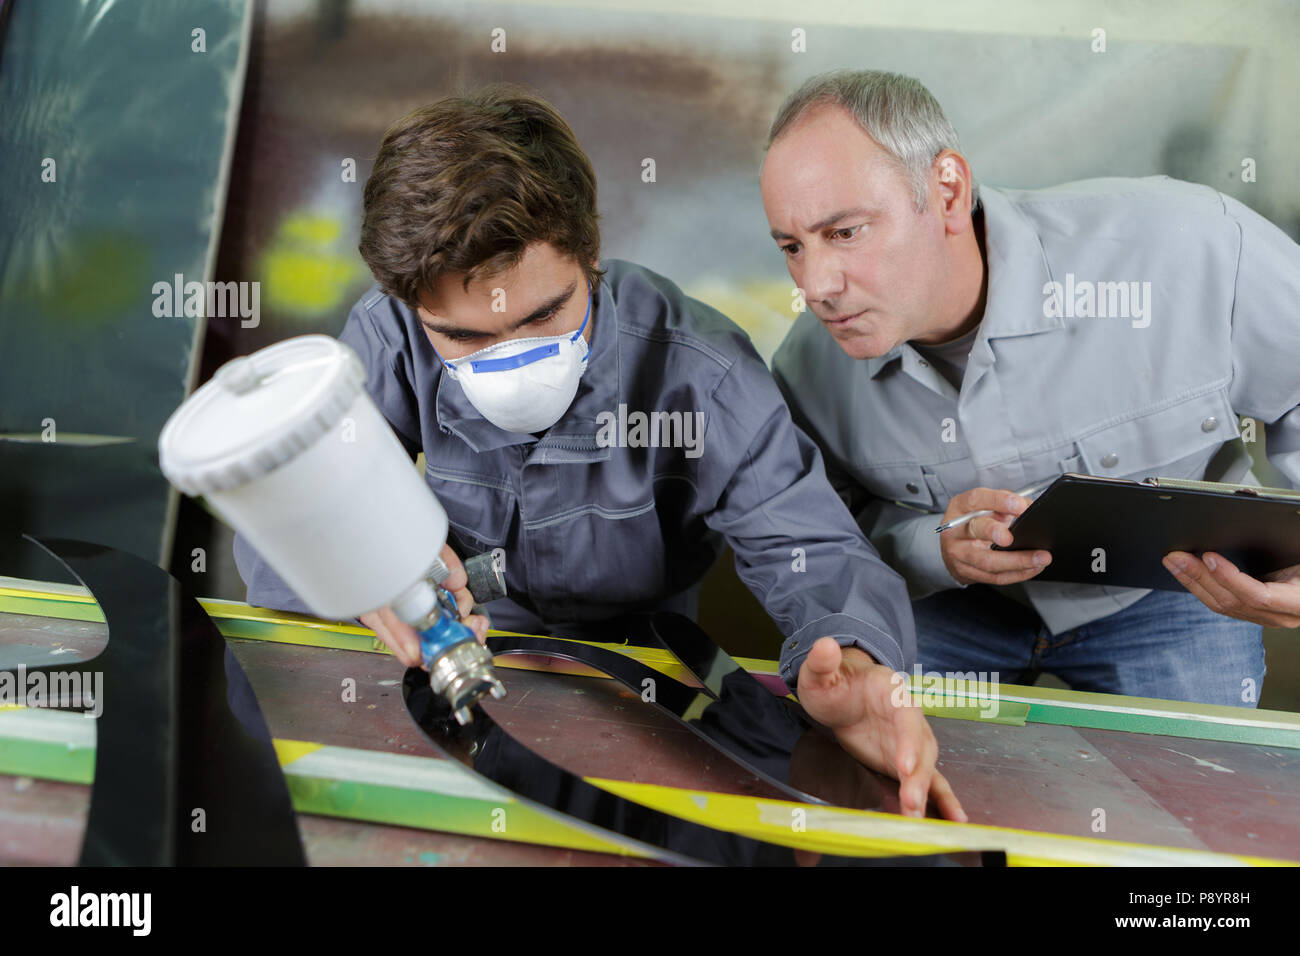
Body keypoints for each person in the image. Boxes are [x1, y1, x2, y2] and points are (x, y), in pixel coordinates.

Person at [233, 85, 965, 820]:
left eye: (545, 314)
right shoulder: (389, 338)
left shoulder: (699, 369)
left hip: (644, 689)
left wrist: (858, 663)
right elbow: (277, 541)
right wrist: (368, 573)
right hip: (450, 672)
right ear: (411, 306)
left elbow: (814, 550)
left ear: (591, 253)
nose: (512, 365)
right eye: (465, 338)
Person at [762, 69, 1300, 707]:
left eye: (844, 232)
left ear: (948, 192)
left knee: (1190, 796)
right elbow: (826, 532)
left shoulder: (1185, 248)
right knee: (885, 781)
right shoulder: (804, 369)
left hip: (1173, 593)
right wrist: (936, 547)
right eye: (792, 246)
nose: (816, 285)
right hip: (952, 609)